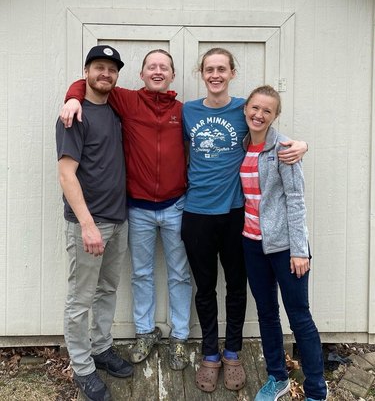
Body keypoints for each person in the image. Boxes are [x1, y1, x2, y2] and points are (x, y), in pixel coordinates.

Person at [181, 48, 308, 393]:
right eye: (210, 69)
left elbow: (272, 132)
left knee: (237, 287)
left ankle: (233, 351)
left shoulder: (245, 109)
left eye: (222, 68)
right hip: (196, 214)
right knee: (205, 288)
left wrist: (302, 144)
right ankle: (210, 352)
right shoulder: (188, 112)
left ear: (232, 73)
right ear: (202, 73)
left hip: (237, 214)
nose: (216, 74)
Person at [60, 49, 192, 371]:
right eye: (151, 66)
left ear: (172, 75)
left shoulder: (183, 111)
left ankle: (180, 337)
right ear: (142, 74)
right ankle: (144, 333)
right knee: (141, 274)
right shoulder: (127, 101)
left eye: (164, 67)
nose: (158, 71)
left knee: (178, 274)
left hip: (174, 206)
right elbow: (91, 83)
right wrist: (72, 98)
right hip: (137, 209)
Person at [56, 45, 133, 401]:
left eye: (111, 69)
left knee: (107, 291)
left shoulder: (115, 109)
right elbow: (67, 174)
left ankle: (101, 349)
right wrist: (87, 224)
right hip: (90, 223)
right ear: (86, 71)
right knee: (80, 299)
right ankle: (82, 367)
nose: (105, 73)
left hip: (119, 220)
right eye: (98, 67)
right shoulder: (74, 116)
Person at [240, 85, 327, 401]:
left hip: (285, 249)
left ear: (275, 116)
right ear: (246, 109)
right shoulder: (243, 144)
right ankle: (278, 377)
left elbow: (296, 199)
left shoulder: (285, 149)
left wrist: (299, 250)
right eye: (255, 108)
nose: (259, 114)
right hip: (252, 245)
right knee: (266, 313)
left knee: (299, 316)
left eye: (267, 110)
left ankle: (316, 390)